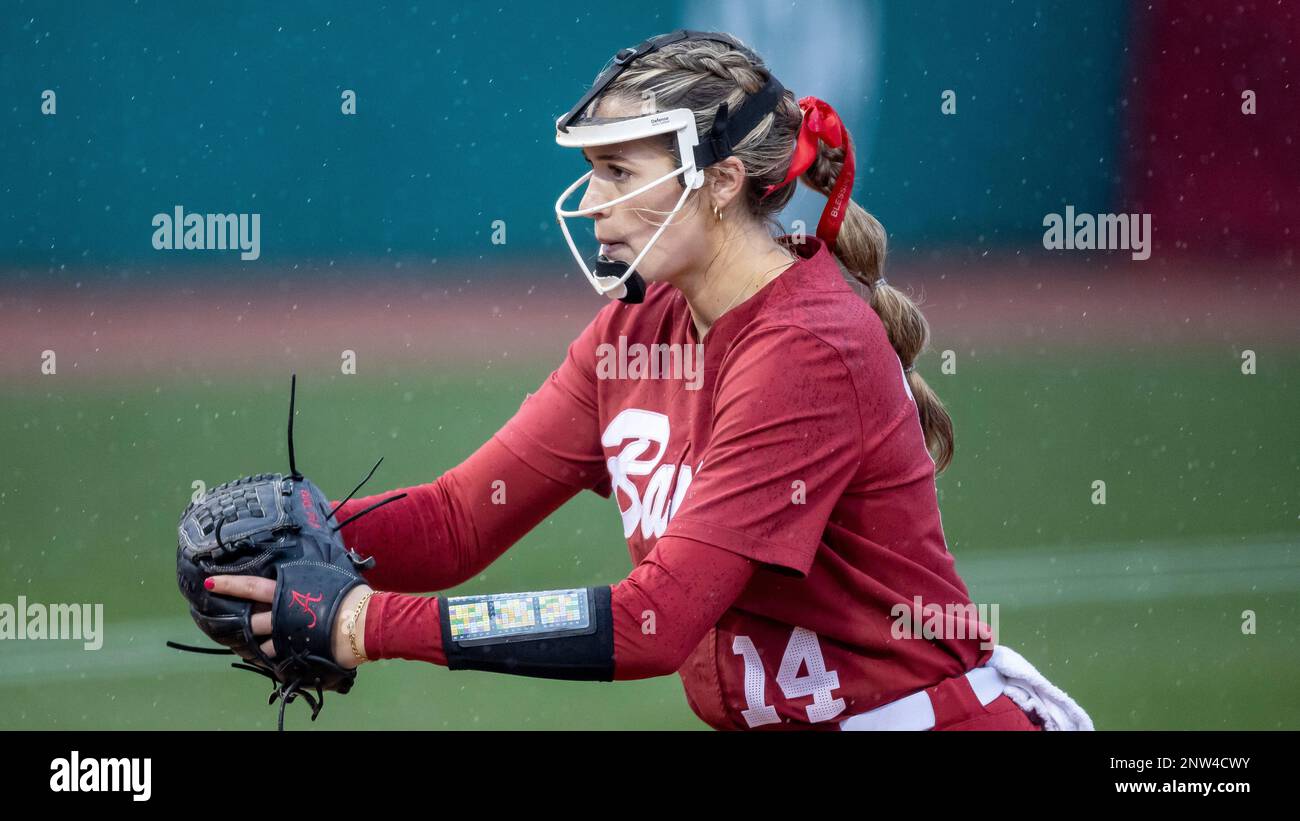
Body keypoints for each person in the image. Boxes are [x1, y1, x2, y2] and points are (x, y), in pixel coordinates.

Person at [208, 30, 1090, 731]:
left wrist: (366, 624)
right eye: (593, 171)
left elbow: (653, 622)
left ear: (721, 182)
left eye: (619, 172)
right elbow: (456, 519)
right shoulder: (639, 329)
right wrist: (295, 546)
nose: (591, 202)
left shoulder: (807, 350)